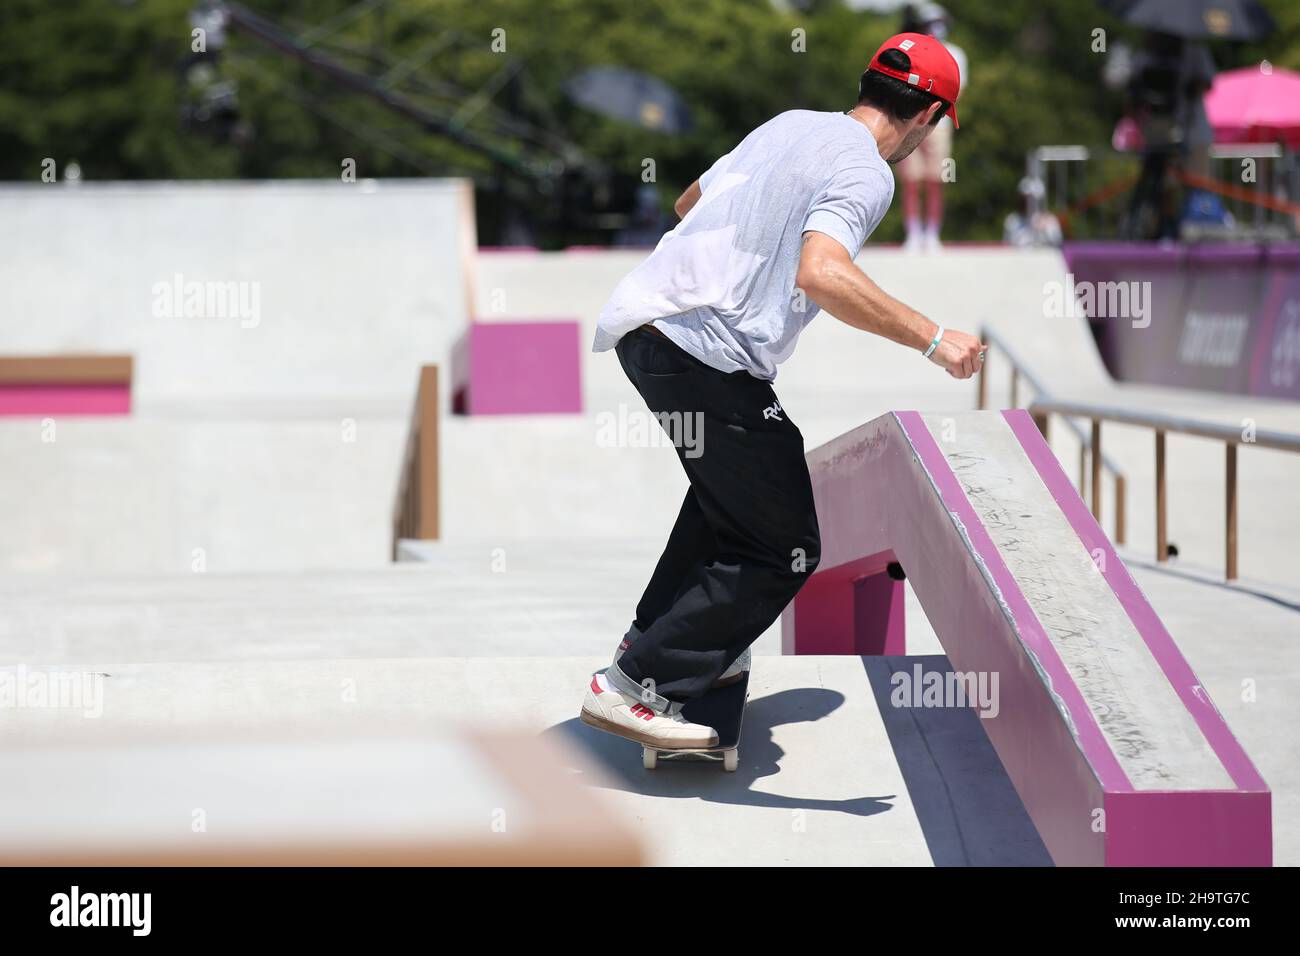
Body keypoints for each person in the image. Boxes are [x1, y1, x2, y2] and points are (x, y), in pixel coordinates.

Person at [580, 32, 985, 751]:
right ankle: (639, 684)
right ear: (928, 118)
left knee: (732, 503)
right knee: (786, 547)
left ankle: (670, 640)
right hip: (707, 352)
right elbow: (822, 274)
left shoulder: (789, 124)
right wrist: (933, 337)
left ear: (869, 84)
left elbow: (687, 202)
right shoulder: (869, 173)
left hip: (647, 329)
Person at [896, 4, 967, 252]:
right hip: (909, 121)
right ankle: (913, 233)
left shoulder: (956, 54)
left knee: (936, 179)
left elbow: (956, 91)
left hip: (938, 123)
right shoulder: (912, 49)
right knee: (911, 180)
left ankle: (932, 233)